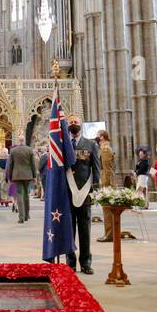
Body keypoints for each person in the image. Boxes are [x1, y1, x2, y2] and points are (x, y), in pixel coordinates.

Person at [68, 116, 98, 274]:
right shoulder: (64, 145)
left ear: (81, 125)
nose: (73, 125)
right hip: (67, 192)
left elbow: (96, 168)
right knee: (69, 229)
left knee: (84, 228)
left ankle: (85, 262)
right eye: (71, 122)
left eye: (76, 122)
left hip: (84, 191)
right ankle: (70, 262)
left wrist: (96, 189)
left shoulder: (91, 144)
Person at [8, 134, 37, 222]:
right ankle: (27, 215)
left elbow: (10, 164)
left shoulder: (13, 150)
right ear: (24, 141)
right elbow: (33, 164)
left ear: (18, 141)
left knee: (19, 194)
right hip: (27, 175)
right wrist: (34, 176)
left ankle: (21, 217)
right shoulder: (29, 150)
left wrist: (10, 176)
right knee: (26, 195)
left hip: (16, 175)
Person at [97, 129, 116, 242]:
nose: (96, 138)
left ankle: (109, 234)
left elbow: (106, 168)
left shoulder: (104, 149)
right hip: (107, 179)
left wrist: (104, 184)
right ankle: (109, 233)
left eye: (98, 136)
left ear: (102, 137)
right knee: (107, 208)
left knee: (107, 208)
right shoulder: (105, 147)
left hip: (107, 180)